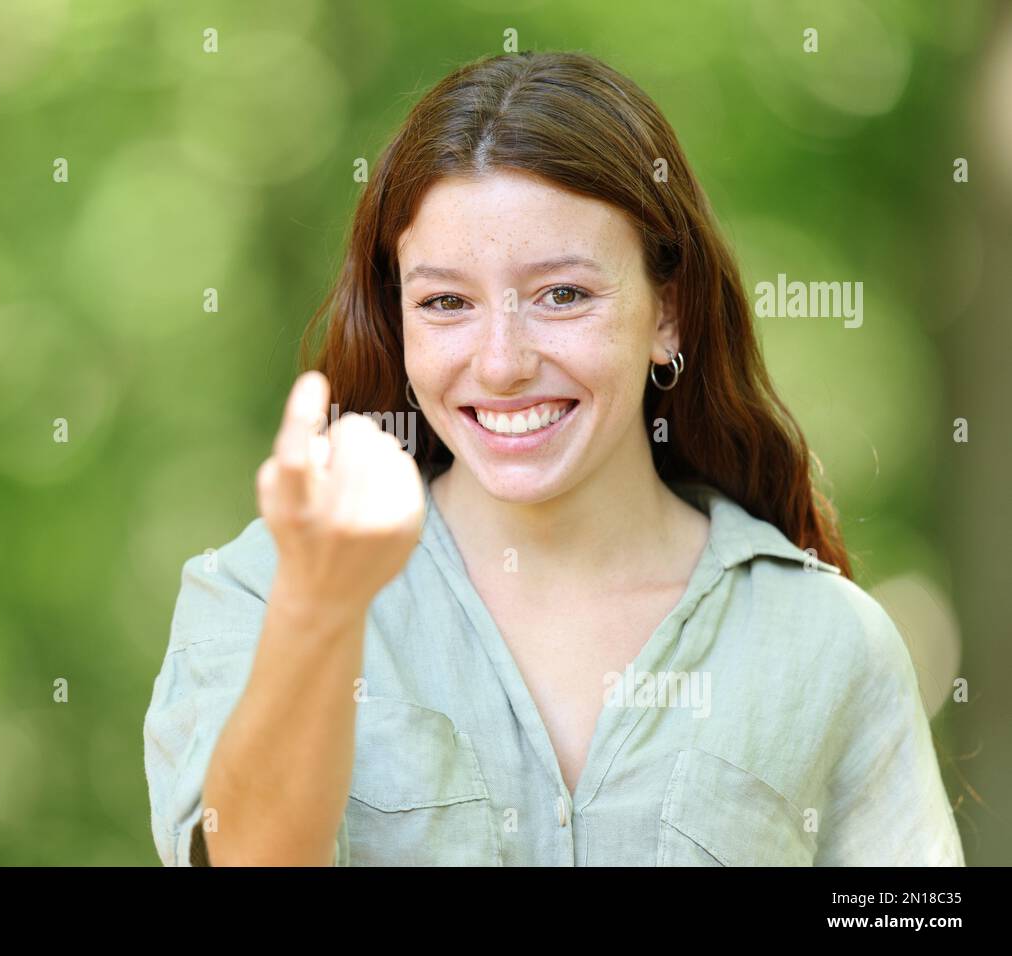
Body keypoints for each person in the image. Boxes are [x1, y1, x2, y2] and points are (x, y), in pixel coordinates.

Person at [143, 50, 965, 866]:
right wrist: (319, 608)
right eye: (446, 303)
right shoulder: (257, 593)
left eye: (562, 294)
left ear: (667, 314)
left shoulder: (828, 641)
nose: (501, 362)